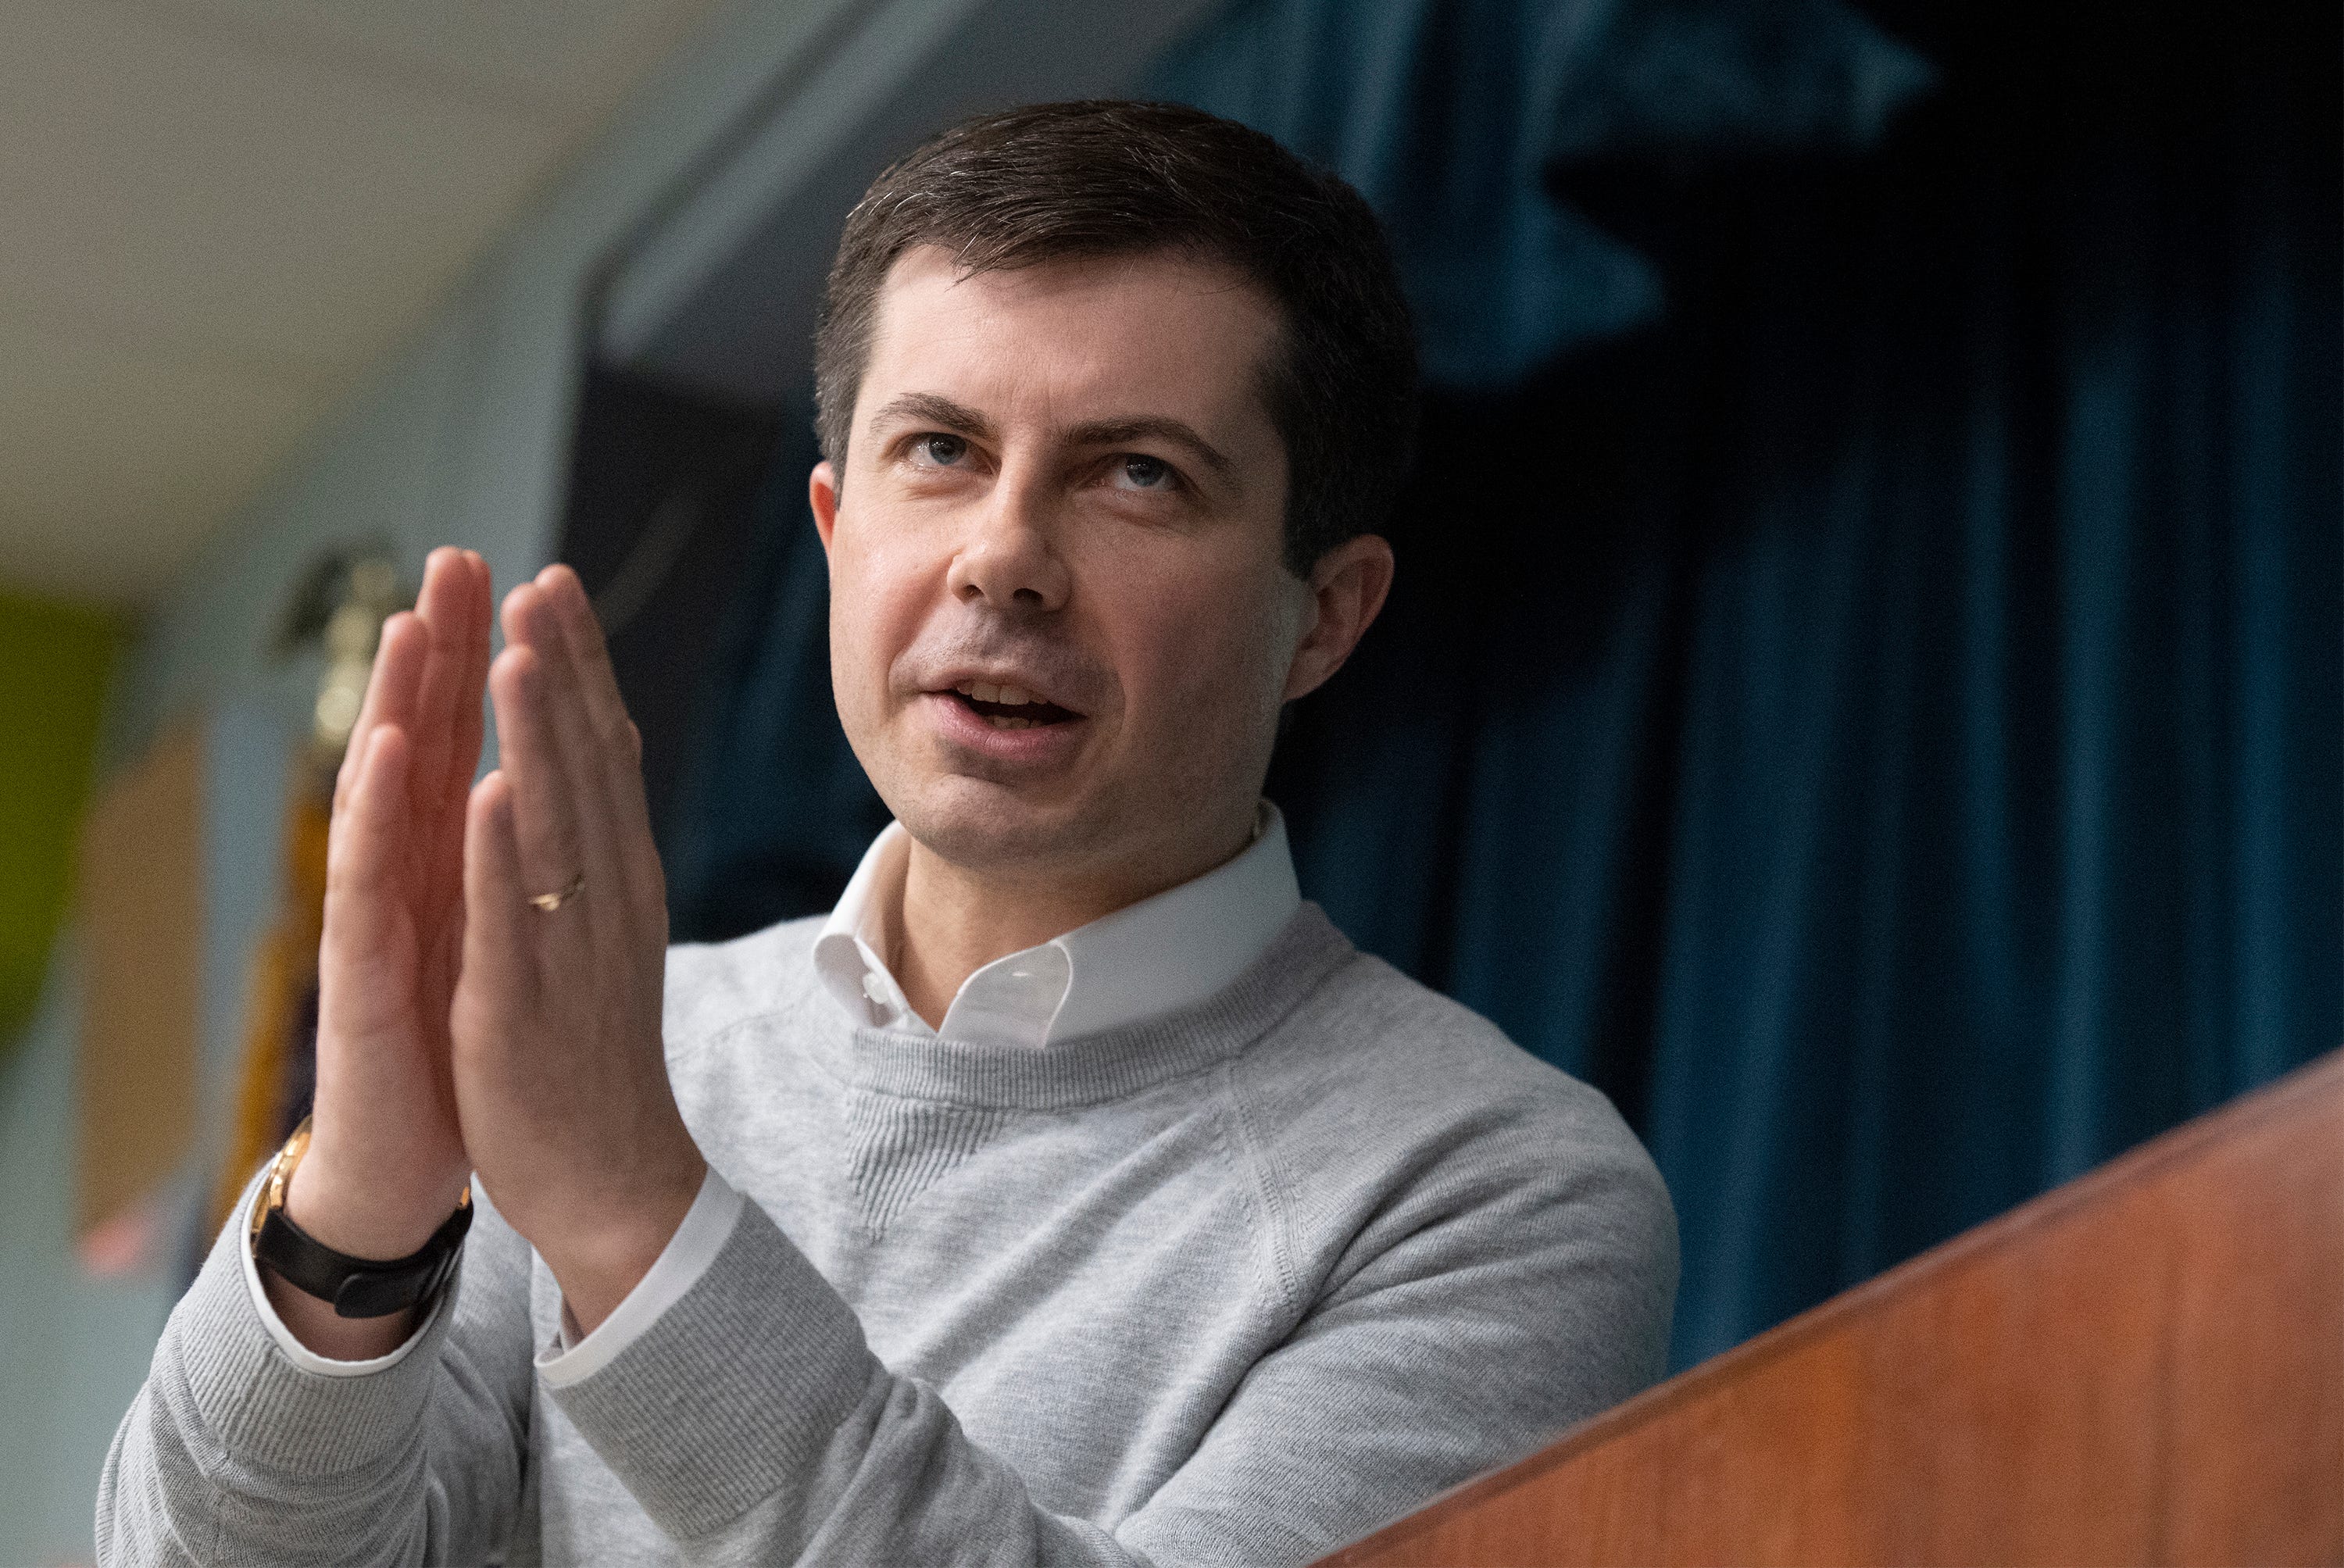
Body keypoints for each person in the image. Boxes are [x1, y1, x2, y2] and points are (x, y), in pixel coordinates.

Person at [99, 100, 1675, 1566]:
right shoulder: (610, 1047)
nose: (1005, 559)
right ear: (839, 530)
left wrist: (637, 1218)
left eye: (1137, 473)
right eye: (941, 450)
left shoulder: (1499, 1188)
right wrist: (359, 1215)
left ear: (1325, 613)